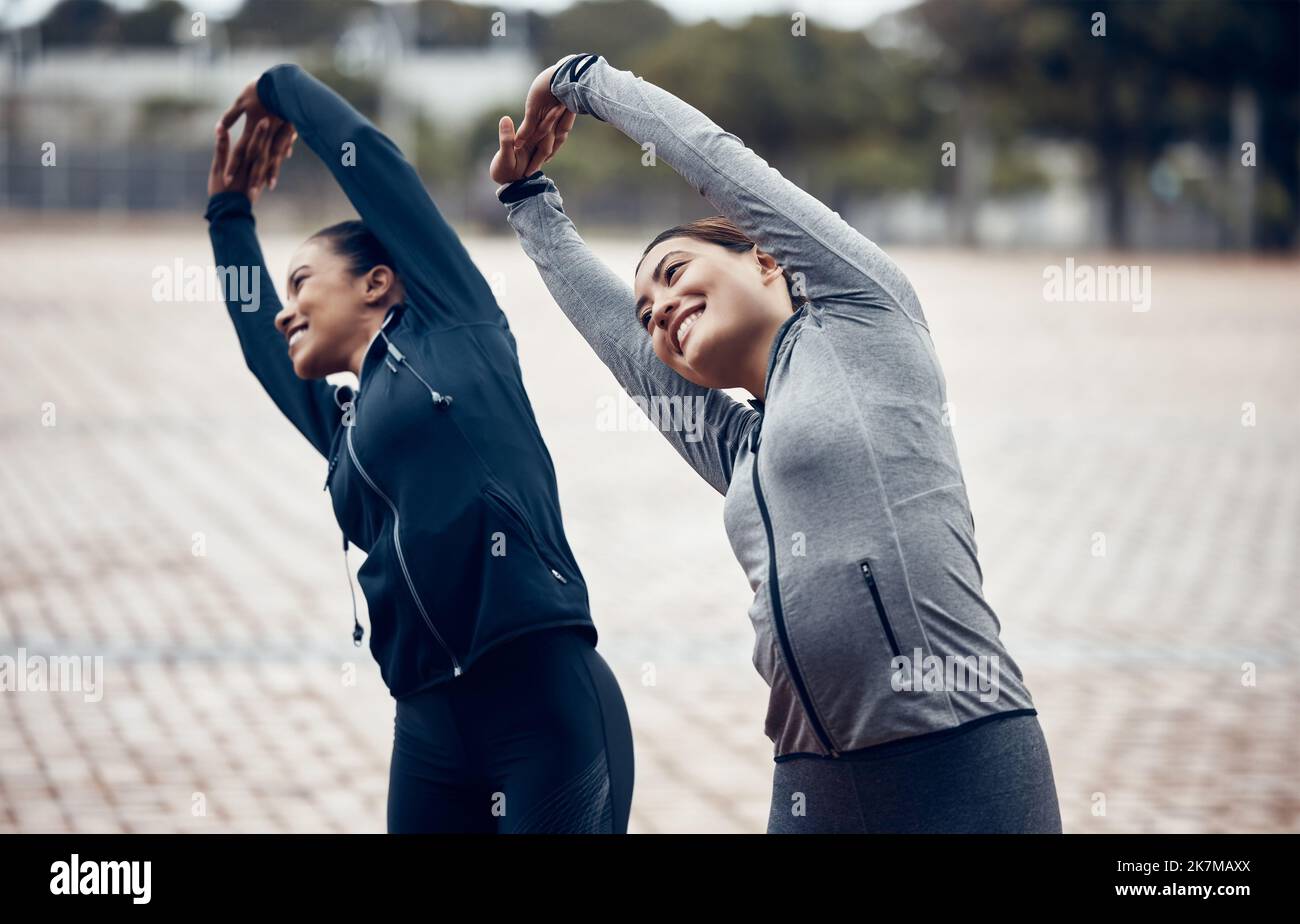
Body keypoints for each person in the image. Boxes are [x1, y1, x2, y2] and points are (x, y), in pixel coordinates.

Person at [491, 53, 1062, 833]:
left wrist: (580, 83)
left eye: (673, 272)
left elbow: (721, 165)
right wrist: (526, 198)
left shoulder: (866, 320)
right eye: (649, 309)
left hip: (956, 753)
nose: (658, 310)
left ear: (765, 258)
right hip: (808, 778)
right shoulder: (739, 451)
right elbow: (622, 347)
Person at [204, 63, 633, 833]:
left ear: (377, 282)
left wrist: (280, 88)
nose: (284, 308)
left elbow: (375, 163)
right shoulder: (343, 426)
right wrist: (228, 214)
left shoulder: (455, 323)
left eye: (302, 281)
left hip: (540, 701)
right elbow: (254, 335)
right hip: (428, 724)